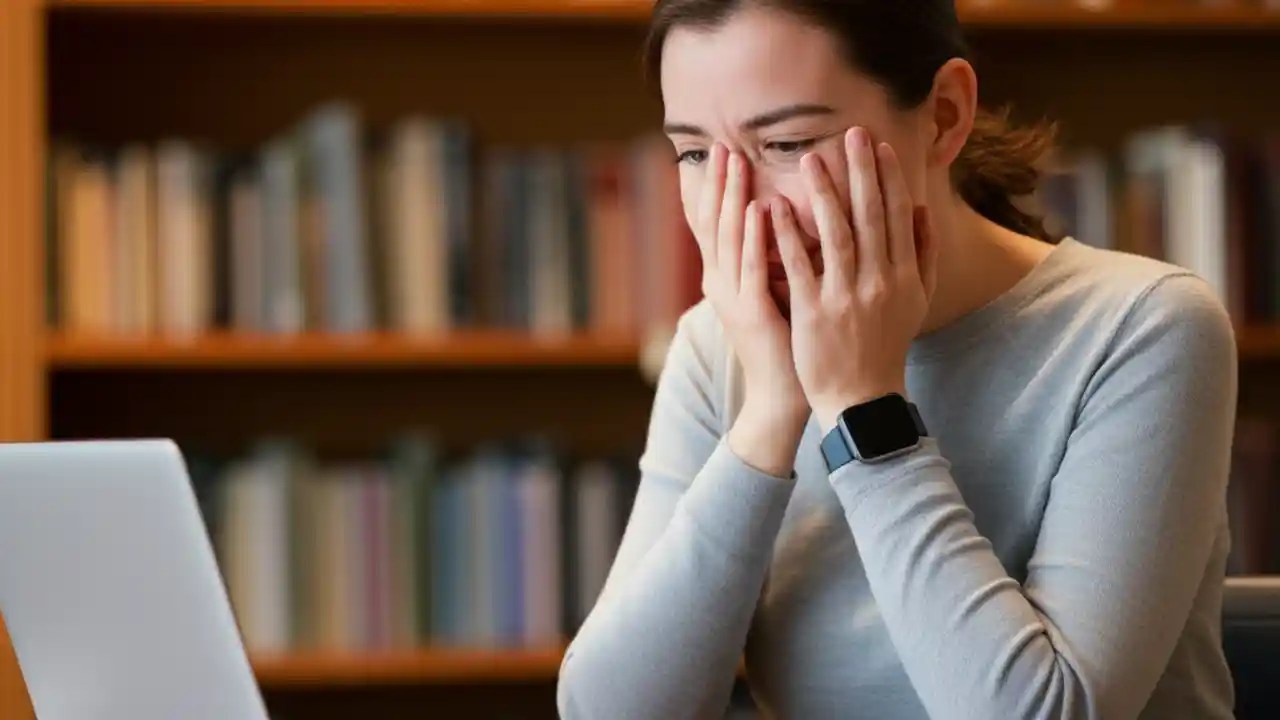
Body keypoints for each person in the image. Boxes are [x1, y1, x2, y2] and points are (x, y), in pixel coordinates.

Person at [557, 1, 1238, 718]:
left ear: (943, 115)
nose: (743, 211)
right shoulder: (720, 346)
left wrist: (863, 406)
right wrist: (772, 410)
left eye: (787, 144)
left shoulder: (1142, 328)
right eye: (695, 154)